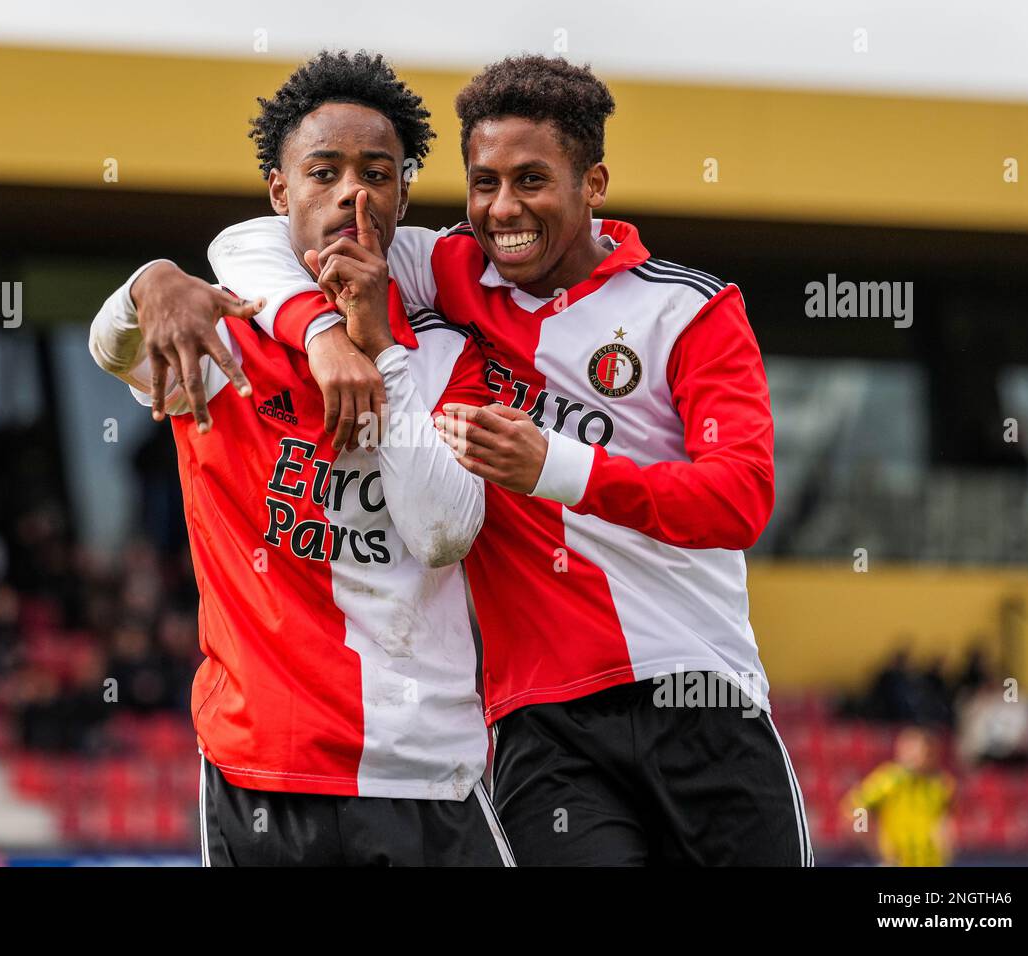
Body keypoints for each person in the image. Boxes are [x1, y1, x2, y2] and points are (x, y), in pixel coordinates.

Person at [113, 53, 807, 866]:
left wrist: (552, 463)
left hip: (698, 689)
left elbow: (738, 501)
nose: (503, 209)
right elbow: (261, 237)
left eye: (532, 181)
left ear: (595, 185)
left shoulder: (690, 310)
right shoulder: (453, 267)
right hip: (541, 720)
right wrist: (177, 287)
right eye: (483, 183)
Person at [89, 51, 512, 866]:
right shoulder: (218, 337)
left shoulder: (448, 353)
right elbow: (112, 349)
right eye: (323, 172)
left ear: (401, 197)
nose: (353, 192)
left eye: (377, 173)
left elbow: (442, 535)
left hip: (428, 774)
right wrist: (151, 283)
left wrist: (381, 352)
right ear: (281, 193)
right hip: (263, 774)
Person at [843, 726, 955, 866]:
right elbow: (856, 807)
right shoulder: (890, 779)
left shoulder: (940, 784)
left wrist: (946, 849)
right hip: (899, 862)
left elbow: (943, 822)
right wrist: (873, 845)